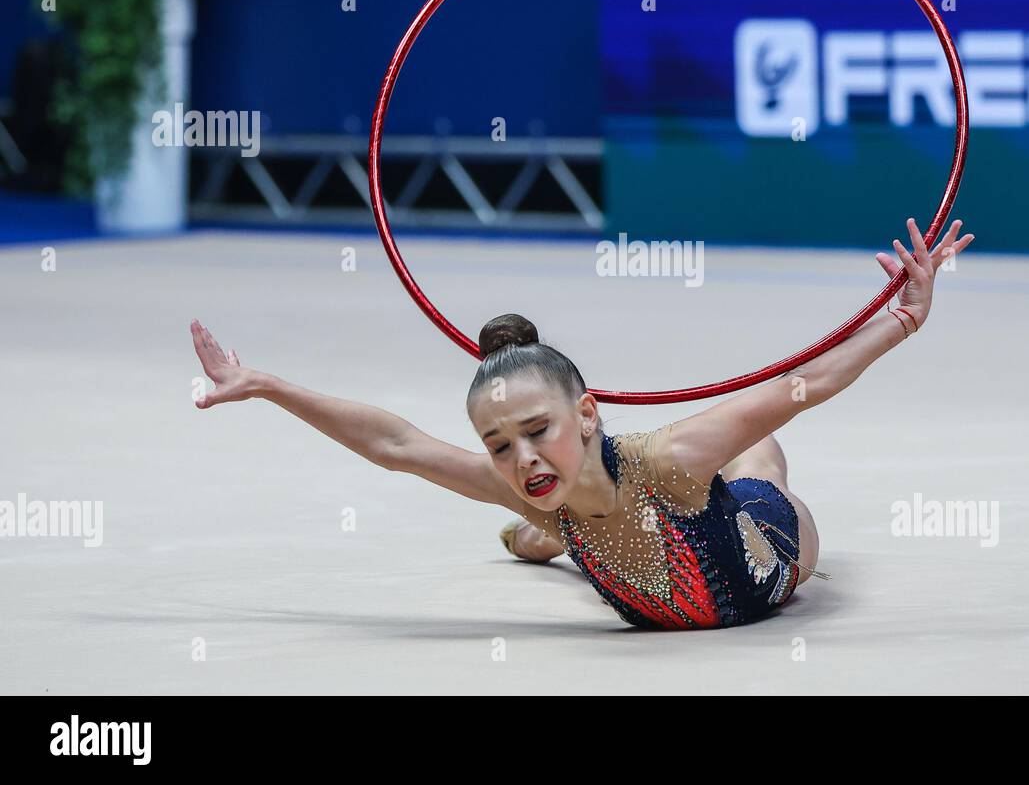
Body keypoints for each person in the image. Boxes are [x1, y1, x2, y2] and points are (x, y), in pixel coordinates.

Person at [190, 216, 973, 628]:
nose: (520, 455)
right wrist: (264, 385)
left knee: (759, 458)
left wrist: (906, 319)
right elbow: (396, 445)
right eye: (498, 445)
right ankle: (548, 544)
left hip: (766, 559)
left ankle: (562, 541)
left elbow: (804, 384)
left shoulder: (670, 457)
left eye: (537, 429)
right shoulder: (532, 488)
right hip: (589, 524)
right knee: (551, 522)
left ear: (589, 411)